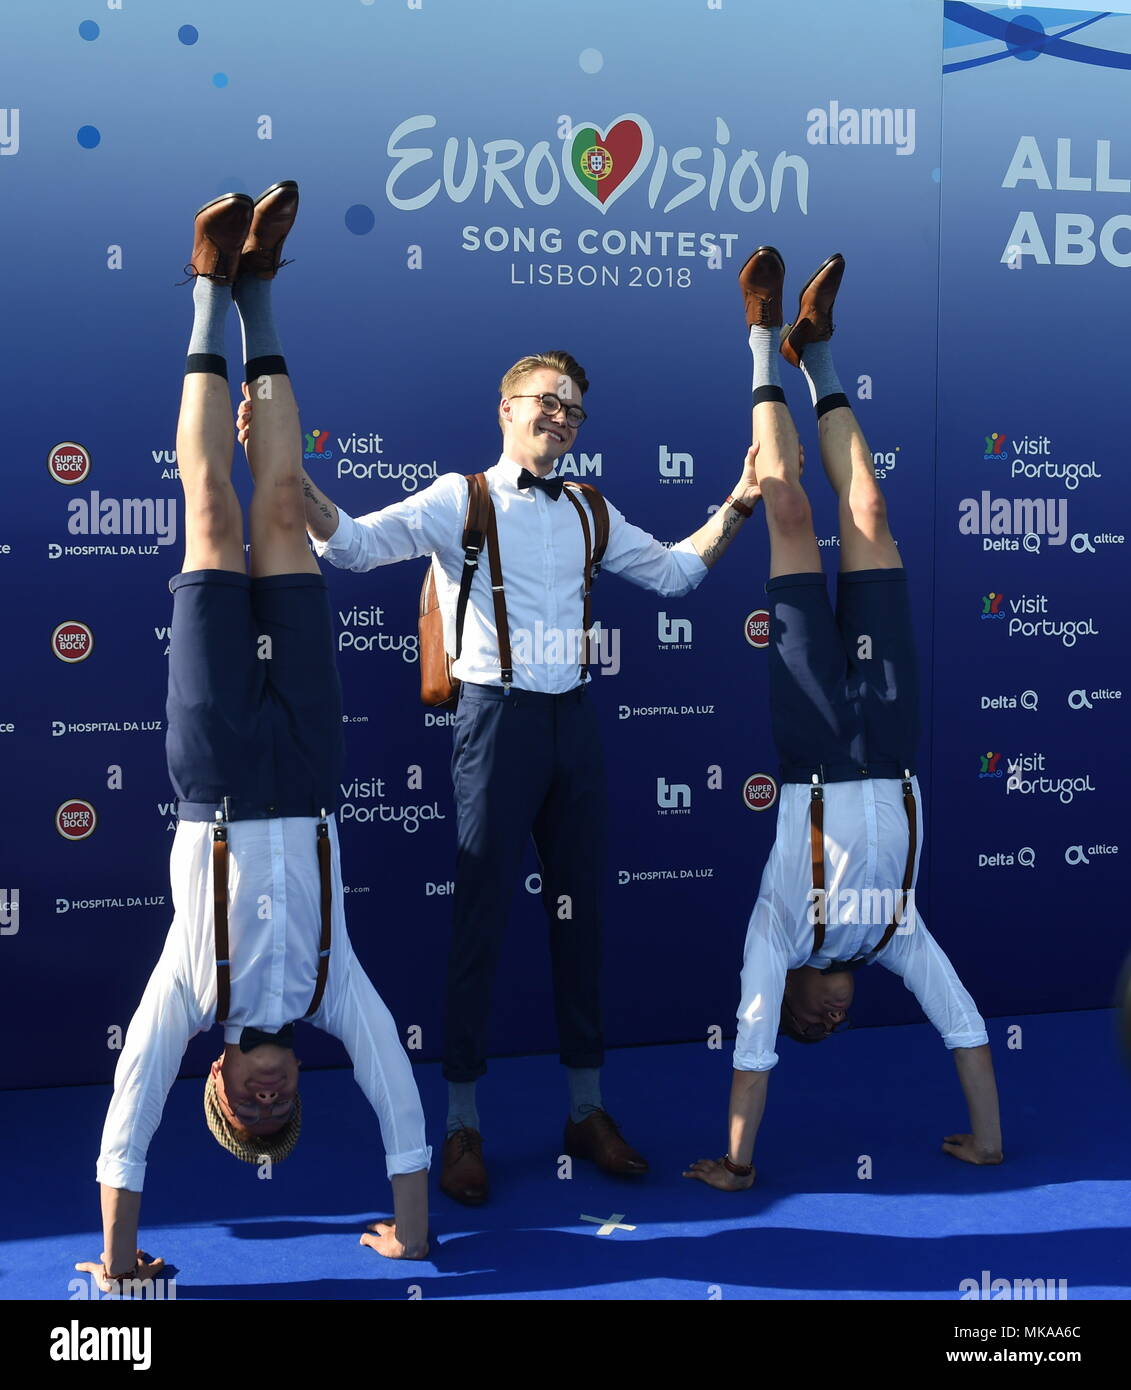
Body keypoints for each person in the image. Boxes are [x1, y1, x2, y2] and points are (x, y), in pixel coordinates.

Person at [283, 342, 763, 1205]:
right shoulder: (454, 499)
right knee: (479, 926)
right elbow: (350, 548)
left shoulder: (590, 509)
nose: (560, 417)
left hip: (571, 725)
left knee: (581, 923)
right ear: (505, 410)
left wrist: (739, 501)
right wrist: (295, 480)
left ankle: (586, 1111)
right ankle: (462, 1123)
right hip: (493, 723)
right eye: (546, 400)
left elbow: (679, 575)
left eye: (573, 408)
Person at [77, 185, 431, 1292]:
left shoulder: (190, 993)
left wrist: (120, 1253)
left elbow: (134, 1091)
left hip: (218, 769)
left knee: (214, 513)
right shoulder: (338, 996)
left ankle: (204, 284)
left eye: (249, 1111)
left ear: (222, 1080)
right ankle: (263, 289)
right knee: (282, 512)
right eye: (288, 1110)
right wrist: (414, 1233)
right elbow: (396, 1096)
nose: (273, 1100)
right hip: (315, 763)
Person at [684, 248, 1003, 1193]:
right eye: (833, 1026)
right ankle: (815, 352)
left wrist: (737, 1162)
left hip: (817, 738)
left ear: (788, 996)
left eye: (807, 1022)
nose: (826, 1020)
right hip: (896, 735)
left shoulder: (774, 935)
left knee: (787, 511)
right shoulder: (897, 933)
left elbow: (750, 1042)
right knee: (866, 506)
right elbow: (966, 1026)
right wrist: (986, 1142)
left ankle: (757, 338)